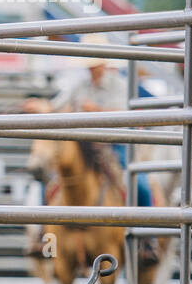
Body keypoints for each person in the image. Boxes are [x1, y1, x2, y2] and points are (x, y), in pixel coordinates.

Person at [51, 34, 150, 207]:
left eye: (94, 64)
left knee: (140, 185)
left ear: (103, 63)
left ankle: (149, 229)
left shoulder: (120, 85)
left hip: (116, 142)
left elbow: (127, 114)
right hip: (85, 144)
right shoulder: (80, 86)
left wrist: (97, 110)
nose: (91, 68)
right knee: (53, 181)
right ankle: (45, 226)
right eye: (89, 65)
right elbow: (57, 106)